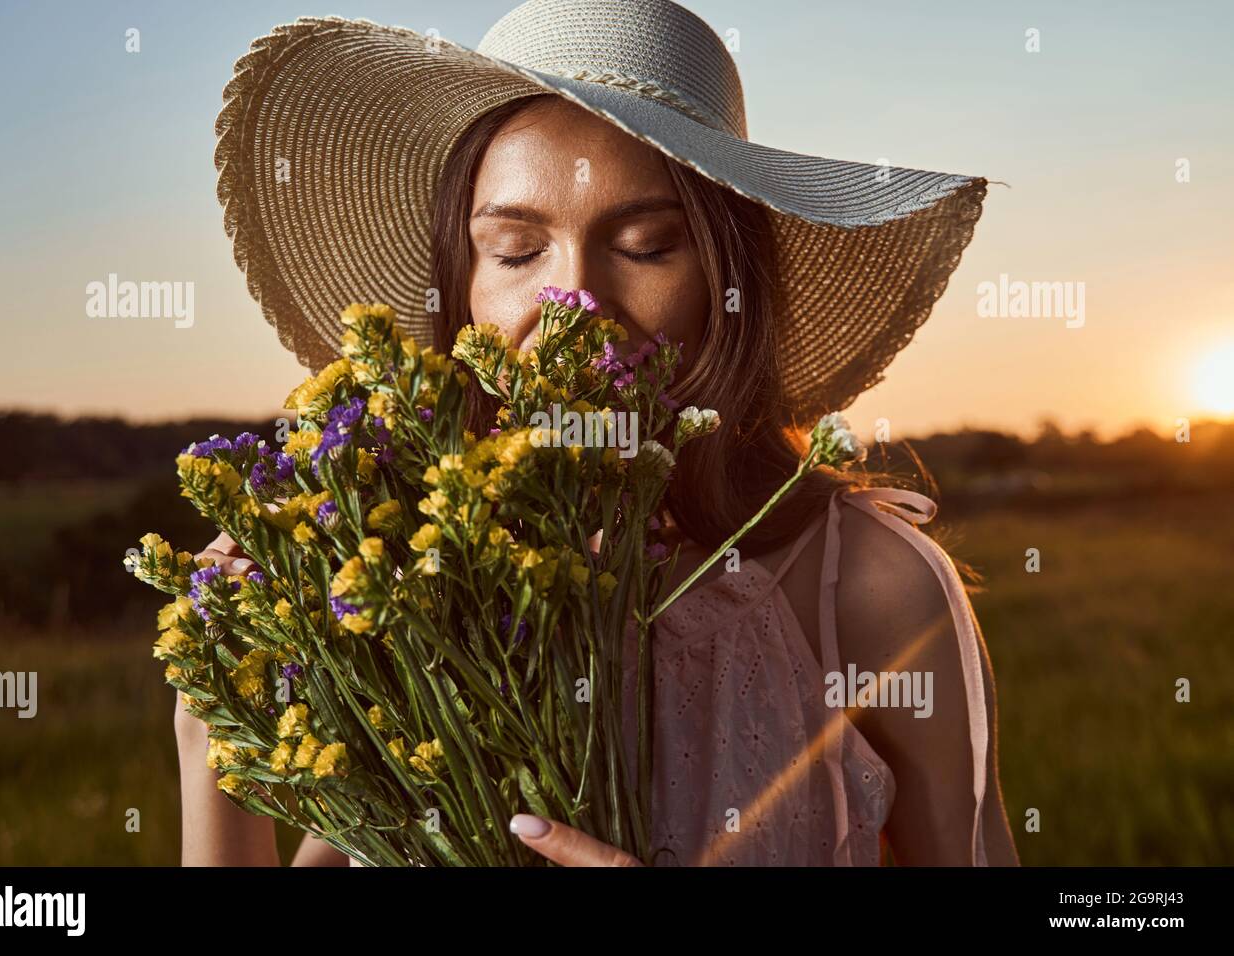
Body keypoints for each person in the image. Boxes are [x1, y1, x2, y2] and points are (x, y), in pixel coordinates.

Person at [180, 0, 1018, 866]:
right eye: (514, 251)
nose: (574, 299)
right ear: (460, 283)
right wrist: (214, 727)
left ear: (727, 279)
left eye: (648, 246)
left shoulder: (865, 587)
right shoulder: (409, 594)